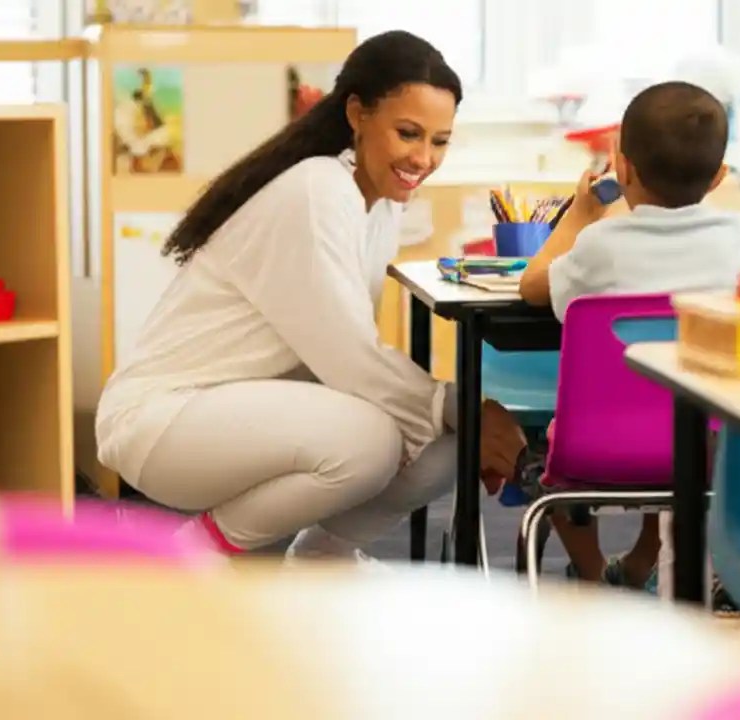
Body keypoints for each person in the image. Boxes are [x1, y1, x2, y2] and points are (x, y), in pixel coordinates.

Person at [96, 31, 527, 566]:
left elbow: (348, 360)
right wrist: (456, 406)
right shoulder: (315, 190)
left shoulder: (382, 204)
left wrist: (458, 416)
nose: (423, 157)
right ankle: (189, 554)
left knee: (449, 442)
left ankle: (324, 556)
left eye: (439, 141)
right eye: (408, 133)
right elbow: (347, 356)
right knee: (374, 439)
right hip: (165, 418)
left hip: (244, 408)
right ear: (357, 114)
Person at [518, 81, 740, 591]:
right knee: (682, 409)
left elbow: (531, 288)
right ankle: (649, 565)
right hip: (719, 448)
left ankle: (592, 575)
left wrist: (579, 215)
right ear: (720, 176)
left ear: (622, 166)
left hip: (600, 447)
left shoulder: (600, 244)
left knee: (537, 435)